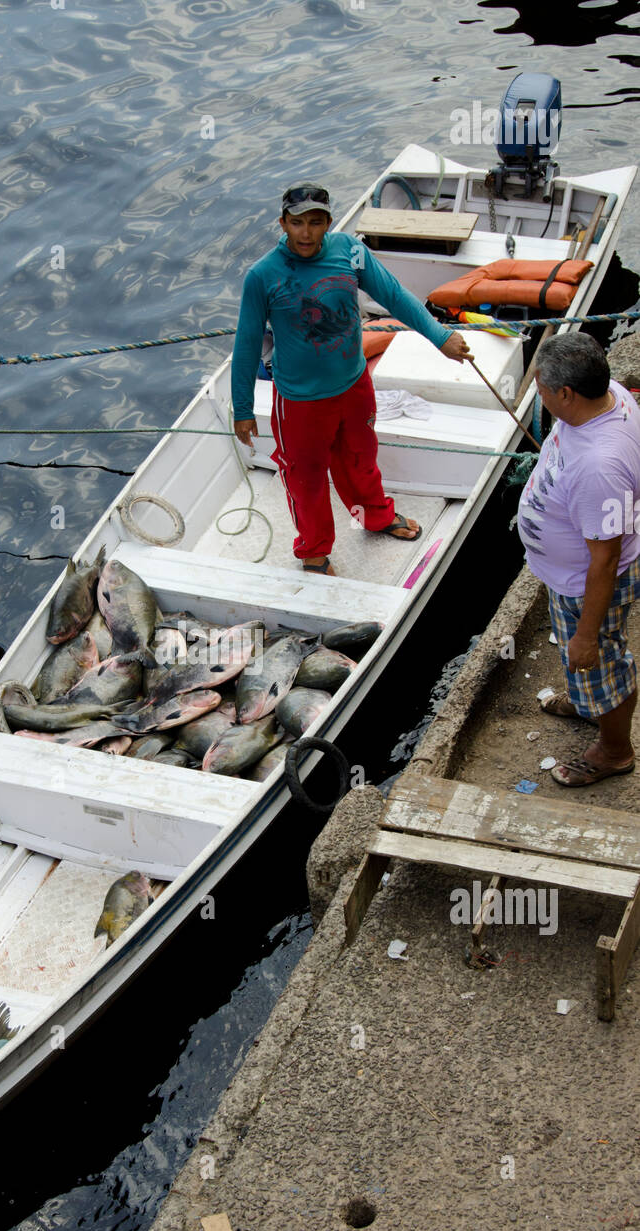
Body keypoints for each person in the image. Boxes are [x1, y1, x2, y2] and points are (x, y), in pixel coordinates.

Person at [231, 183, 472, 575]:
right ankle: (313, 549)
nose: (306, 233)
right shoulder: (262, 276)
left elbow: (395, 296)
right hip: (300, 403)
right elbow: (245, 346)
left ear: (328, 222)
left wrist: (441, 337)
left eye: (315, 222)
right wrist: (242, 407)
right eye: (297, 223)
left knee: (361, 460)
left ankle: (374, 516)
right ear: (283, 223)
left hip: (354, 386)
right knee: (306, 480)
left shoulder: (350, 251)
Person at [518, 333, 640, 786]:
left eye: (541, 388)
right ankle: (586, 694)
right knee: (588, 665)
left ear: (566, 394)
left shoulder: (599, 466)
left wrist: (587, 636)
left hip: (584, 583)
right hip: (567, 575)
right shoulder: (612, 395)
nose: (538, 395)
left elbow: (605, 561)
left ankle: (614, 750)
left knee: (602, 658)